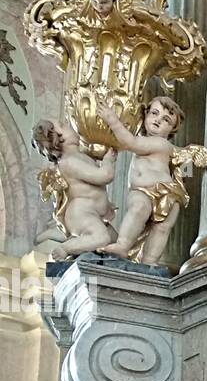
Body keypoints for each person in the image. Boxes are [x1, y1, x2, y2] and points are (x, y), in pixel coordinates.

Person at [96, 96, 189, 264]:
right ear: (145, 115)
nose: (158, 120)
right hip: (160, 193)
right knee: (159, 227)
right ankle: (147, 260)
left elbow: (130, 142)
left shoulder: (160, 143)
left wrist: (112, 120)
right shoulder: (151, 142)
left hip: (157, 191)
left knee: (153, 222)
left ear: (172, 131)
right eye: (154, 113)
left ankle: (124, 246)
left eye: (166, 120)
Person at [32, 119, 117, 258]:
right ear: (60, 138)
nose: (70, 127)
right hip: (81, 214)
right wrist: (108, 161)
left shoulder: (78, 157)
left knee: (116, 244)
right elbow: (104, 176)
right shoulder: (69, 162)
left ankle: (69, 241)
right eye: (64, 126)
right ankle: (65, 248)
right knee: (102, 238)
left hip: (93, 214)